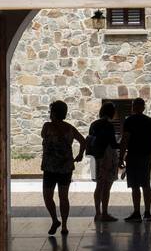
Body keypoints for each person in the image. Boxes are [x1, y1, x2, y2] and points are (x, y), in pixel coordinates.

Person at [41, 100, 86, 235]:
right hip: (65, 167)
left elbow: (43, 137)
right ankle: (64, 226)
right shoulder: (70, 128)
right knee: (63, 197)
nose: (50, 114)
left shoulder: (47, 127)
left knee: (47, 197)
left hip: (50, 167)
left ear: (54, 113)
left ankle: (55, 220)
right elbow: (83, 141)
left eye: (51, 111)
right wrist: (79, 155)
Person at [120, 98, 151, 222]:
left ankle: (137, 212)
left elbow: (125, 139)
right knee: (146, 184)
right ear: (143, 107)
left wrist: (121, 157)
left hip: (133, 156)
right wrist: (150, 152)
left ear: (133, 107)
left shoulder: (129, 121)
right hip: (146, 156)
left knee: (135, 185)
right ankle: (147, 212)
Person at [86, 102, 120, 222]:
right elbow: (113, 144)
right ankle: (104, 213)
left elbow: (90, 140)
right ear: (111, 112)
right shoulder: (109, 125)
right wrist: (124, 144)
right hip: (107, 158)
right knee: (107, 187)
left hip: (96, 158)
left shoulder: (94, 124)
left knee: (99, 186)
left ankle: (97, 213)